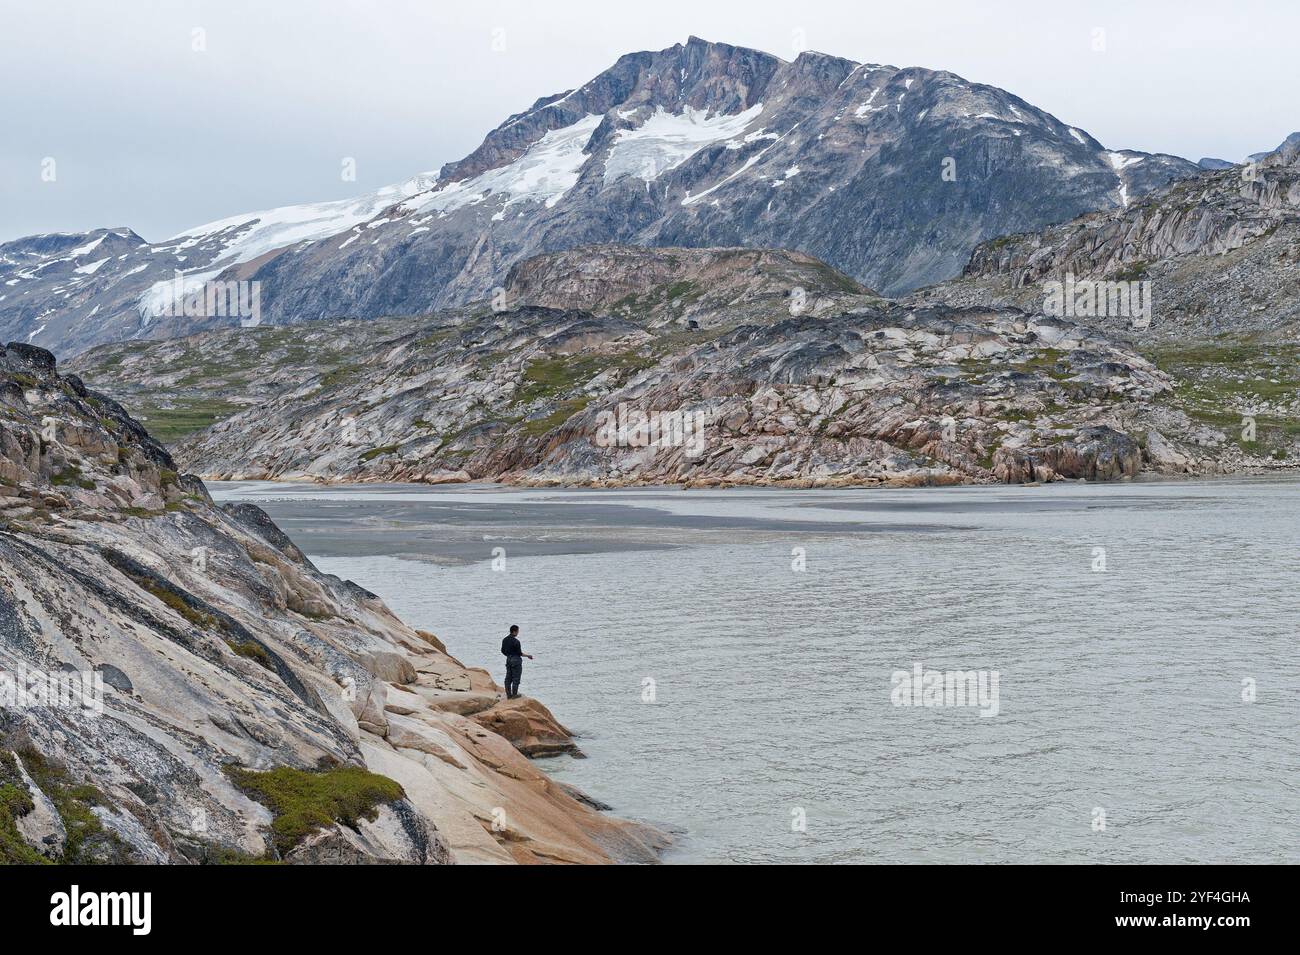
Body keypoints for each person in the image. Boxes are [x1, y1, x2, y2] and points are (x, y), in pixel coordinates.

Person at [500, 624, 533, 699]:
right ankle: (514, 695)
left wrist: (508, 655)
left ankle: (508, 695)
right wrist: (528, 656)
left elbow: (502, 651)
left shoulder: (504, 640)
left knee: (508, 678)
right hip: (516, 660)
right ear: (514, 632)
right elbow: (519, 653)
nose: (518, 633)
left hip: (508, 659)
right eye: (518, 631)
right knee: (516, 678)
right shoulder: (516, 642)